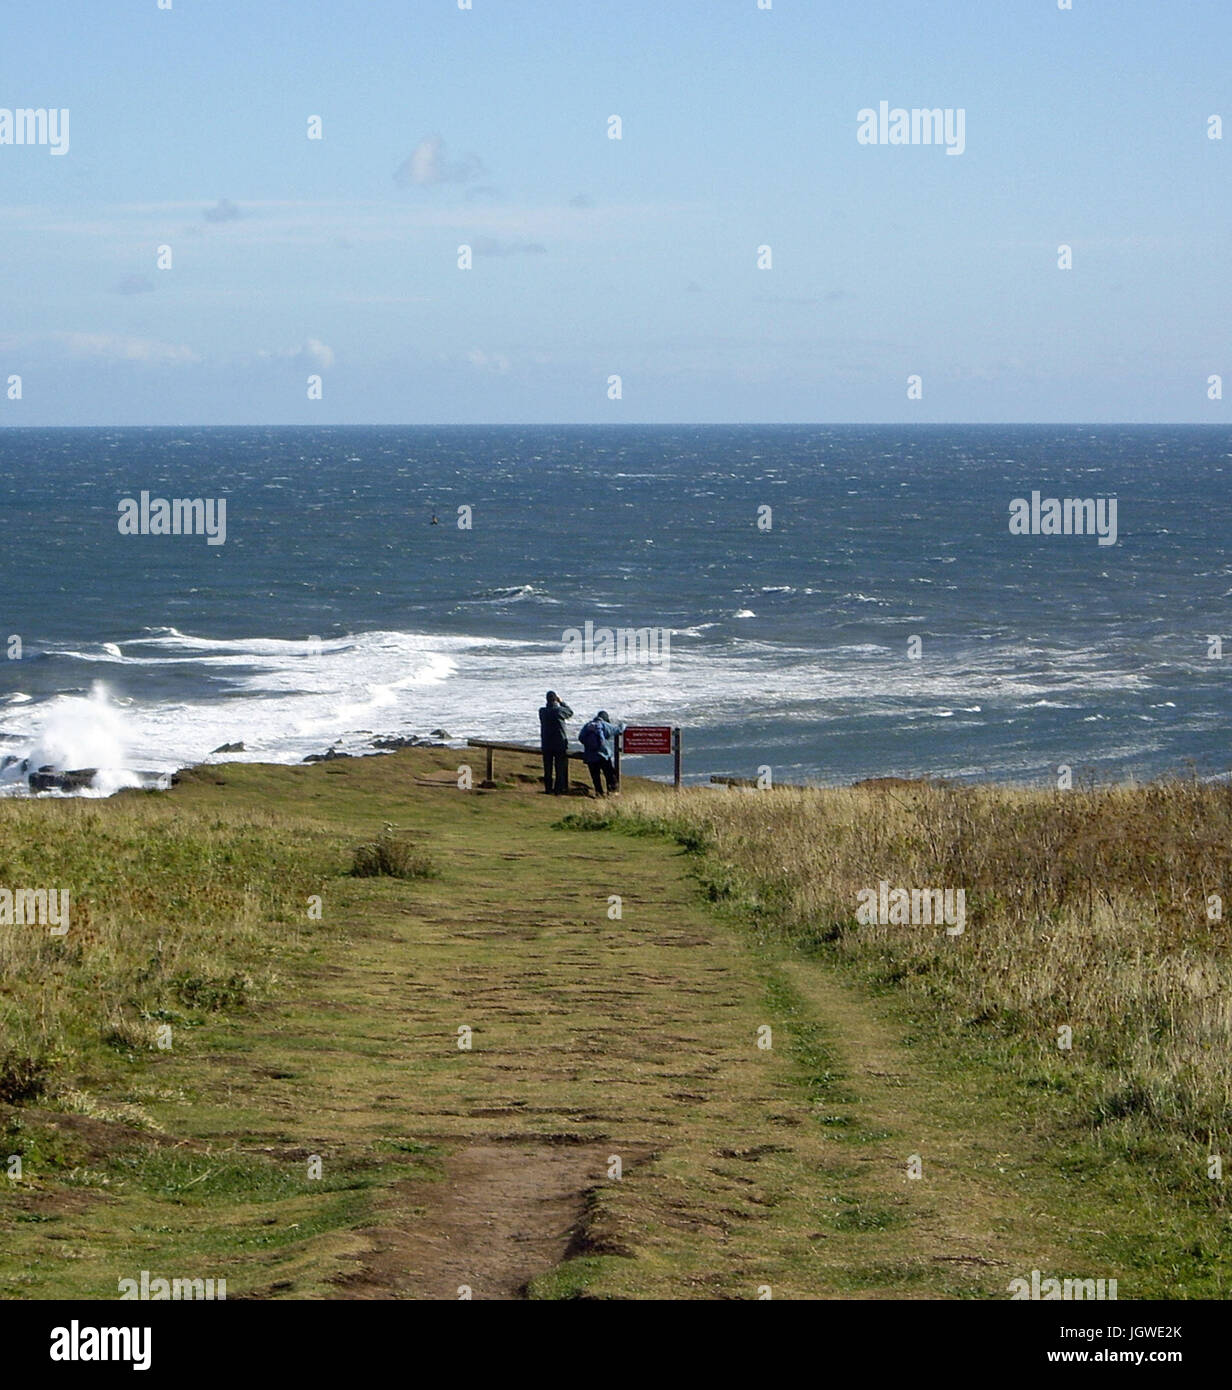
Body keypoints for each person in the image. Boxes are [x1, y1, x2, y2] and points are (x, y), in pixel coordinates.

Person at [579, 709, 621, 797]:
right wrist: (623, 725)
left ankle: (599, 793)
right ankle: (611, 792)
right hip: (602, 754)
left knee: (595, 776)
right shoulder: (604, 725)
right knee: (609, 774)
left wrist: (589, 745)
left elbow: (581, 737)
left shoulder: (587, 725)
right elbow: (617, 730)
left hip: (590, 756)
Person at [538, 690, 573, 794]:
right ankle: (559, 789)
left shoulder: (542, 711)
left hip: (546, 743)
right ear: (555, 699)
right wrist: (561, 702)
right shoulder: (559, 711)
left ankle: (548, 789)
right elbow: (570, 712)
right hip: (559, 743)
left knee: (547, 768)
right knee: (560, 767)